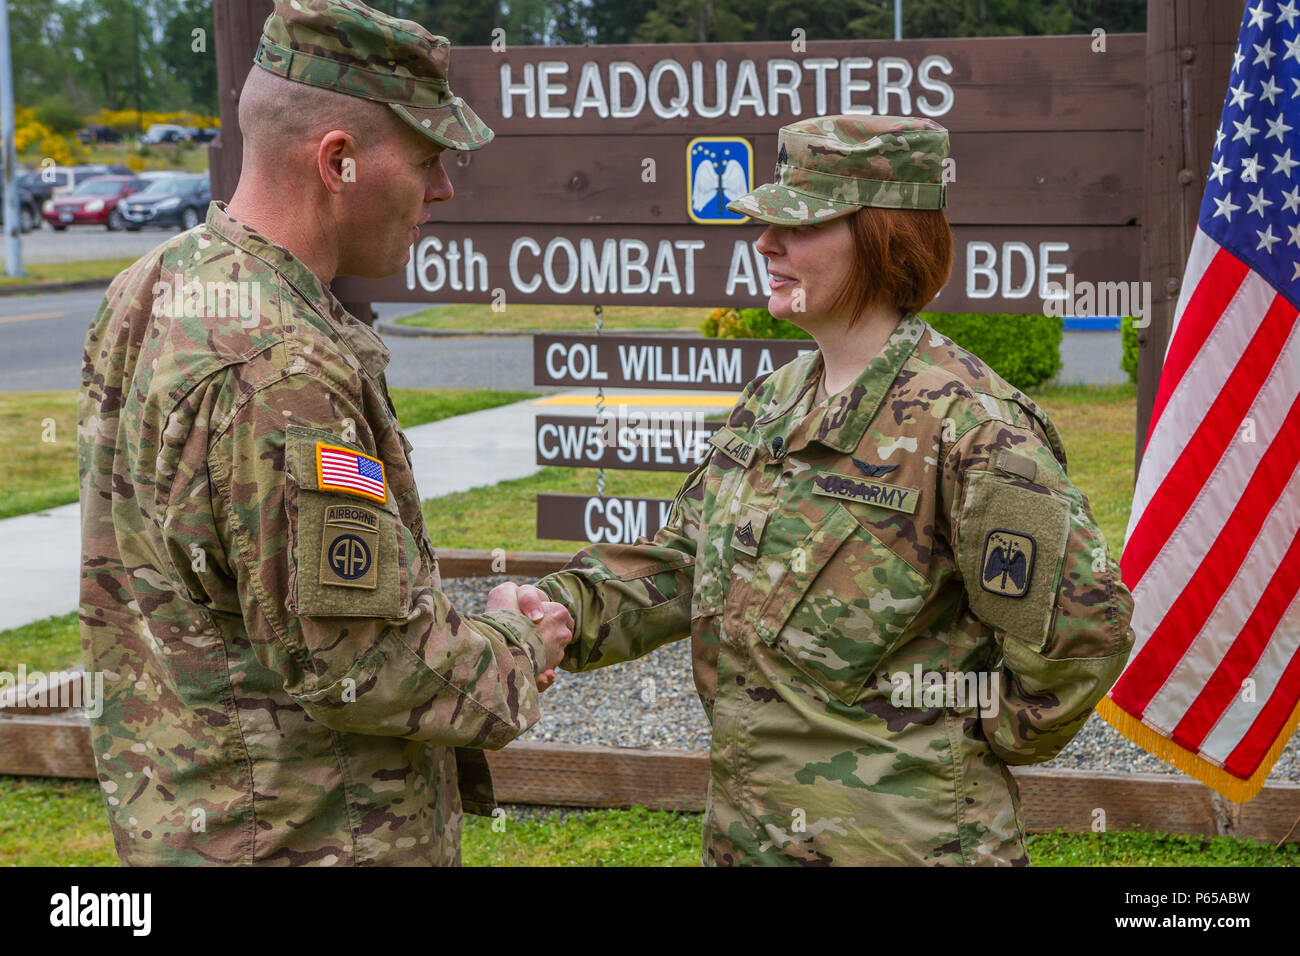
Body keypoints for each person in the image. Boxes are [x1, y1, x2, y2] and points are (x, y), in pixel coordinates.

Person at [536, 115, 1135, 866]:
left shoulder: (973, 427)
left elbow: (1077, 636)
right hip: (747, 841)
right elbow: (684, 566)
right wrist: (553, 613)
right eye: (767, 225)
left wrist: (950, 739)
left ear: (884, 239)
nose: (766, 246)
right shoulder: (772, 400)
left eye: (800, 226)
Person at [78, 0, 571, 866]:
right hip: (305, 837)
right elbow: (361, 667)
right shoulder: (285, 372)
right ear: (338, 161)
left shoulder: (154, 284)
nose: (445, 190)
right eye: (427, 161)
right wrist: (517, 643)